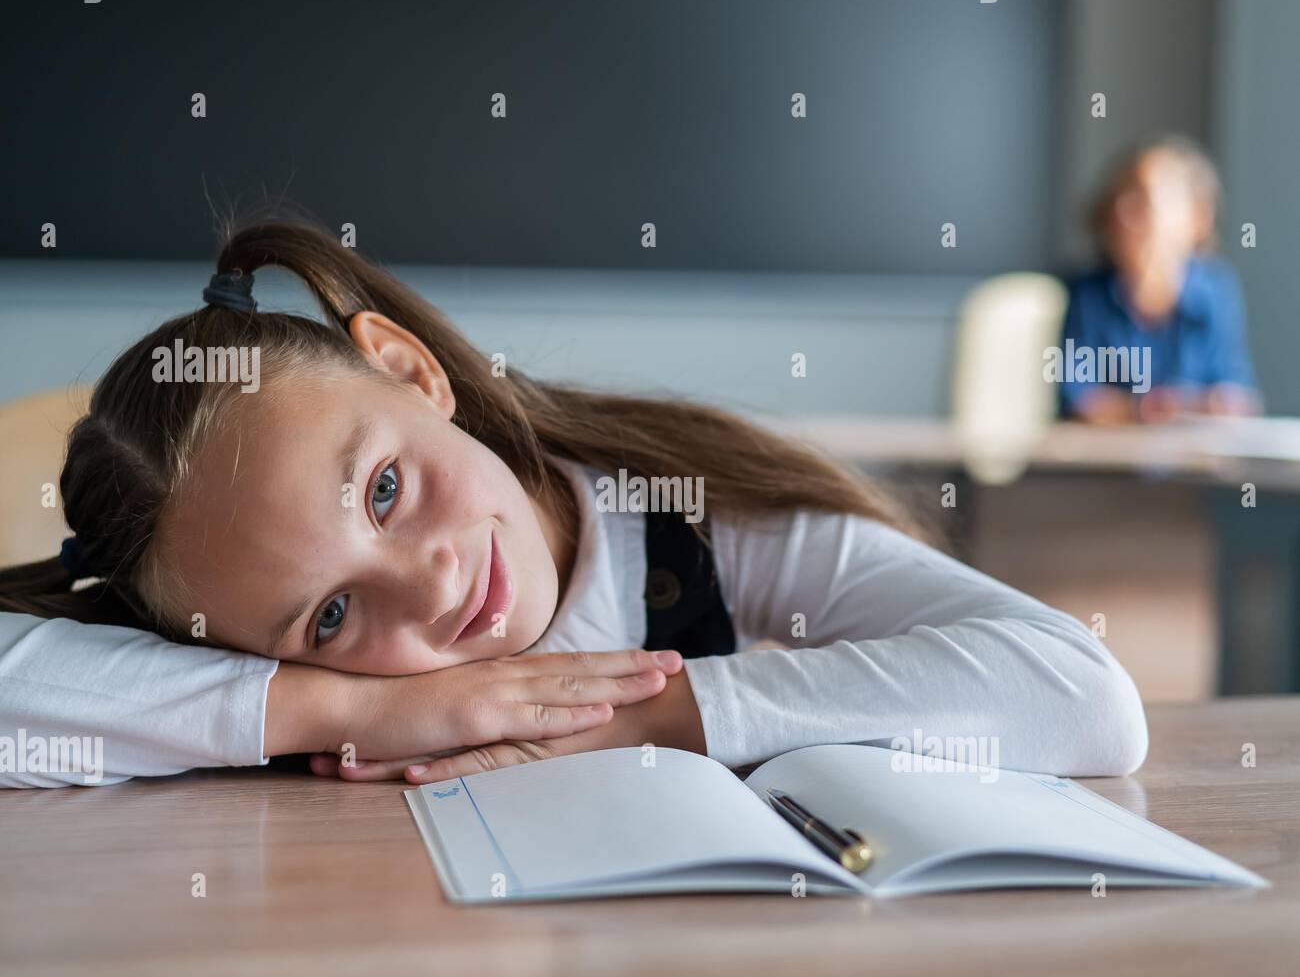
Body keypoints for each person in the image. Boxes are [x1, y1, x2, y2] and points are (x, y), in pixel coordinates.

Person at [0, 219, 1148, 789]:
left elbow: (1084, 695)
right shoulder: (342, 702)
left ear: (411, 370)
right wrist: (327, 712)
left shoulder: (696, 520)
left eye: (386, 489)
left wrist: (625, 719)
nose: (432, 584)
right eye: (331, 619)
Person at [1059, 135, 1261, 424]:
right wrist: (1157, 409)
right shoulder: (1085, 295)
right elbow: (1076, 399)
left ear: (1197, 217)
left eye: (1143, 200)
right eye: (1118, 201)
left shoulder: (1215, 291)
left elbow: (1237, 394)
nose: (1123, 214)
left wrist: (1217, 404)